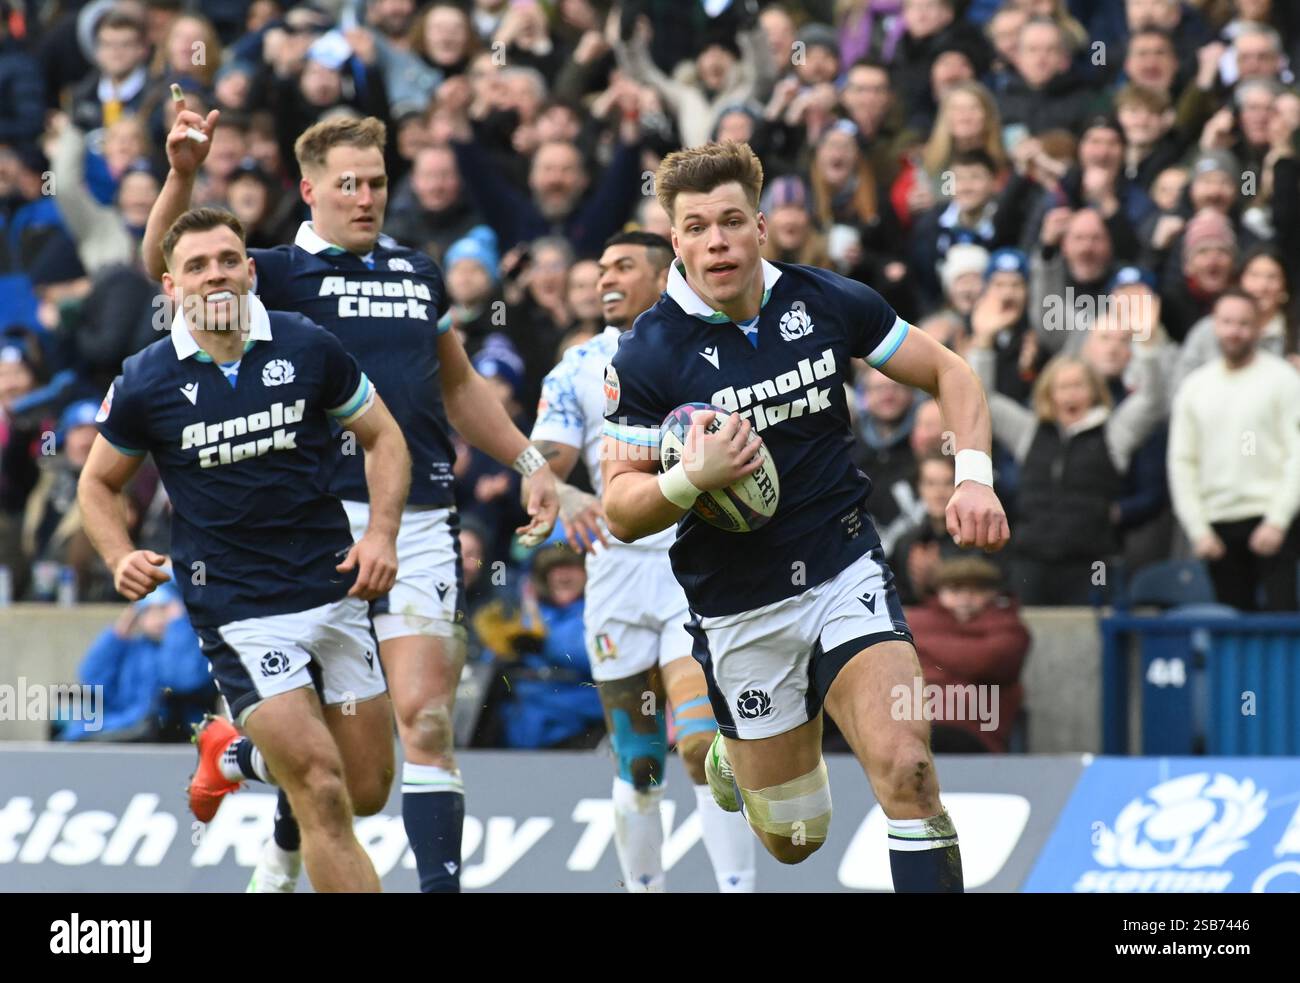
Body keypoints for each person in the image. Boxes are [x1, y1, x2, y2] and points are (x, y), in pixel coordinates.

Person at [140, 104, 559, 894]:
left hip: (422, 514)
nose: (366, 197)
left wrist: (531, 457)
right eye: (348, 185)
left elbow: (460, 384)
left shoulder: (417, 271)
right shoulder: (273, 272)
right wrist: (184, 173)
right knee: (336, 759)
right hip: (312, 525)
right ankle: (241, 758)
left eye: (377, 182)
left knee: (426, 719)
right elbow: (160, 257)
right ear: (309, 190)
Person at [600, 141, 1010, 892]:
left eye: (730, 221)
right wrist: (692, 477)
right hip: (739, 607)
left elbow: (949, 371)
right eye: (696, 227)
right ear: (676, 241)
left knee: (908, 769)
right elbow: (620, 508)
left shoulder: (823, 300)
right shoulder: (648, 352)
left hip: (843, 566)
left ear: (761, 226)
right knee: (795, 838)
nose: (716, 241)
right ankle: (733, 754)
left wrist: (973, 478)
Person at [78, 207, 409, 892]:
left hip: (335, 587)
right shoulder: (146, 379)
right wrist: (117, 556)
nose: (215, 275)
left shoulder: (306, 344)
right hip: (238, 608)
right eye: (196, 266)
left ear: (251, 271)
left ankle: (233, 755)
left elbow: (385, 437)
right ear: (172, 287)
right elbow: (97, 484)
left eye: (228, 259)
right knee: (320, 787)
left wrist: (380, 533)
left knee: (367, 788)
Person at [530, 229, 756, 893]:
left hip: (693, 570)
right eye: (600, 266)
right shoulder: (576, 367)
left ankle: (738, 886)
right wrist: (562, 489)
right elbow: (543, 462)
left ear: (664, 279)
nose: (604, 277)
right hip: (616, 575)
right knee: (639, 765)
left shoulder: (709, 349)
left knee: (699, 746)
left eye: (623, 265)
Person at [1168, 288, 1300, 610]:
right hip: (1217, 530)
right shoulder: (1194, 387)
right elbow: (1182, 462)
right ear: (1214, 325)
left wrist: (1278, 520)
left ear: (1257, 328)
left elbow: (1296, 454)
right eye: (1227, 322)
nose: (1234, 331)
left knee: (1281, 632)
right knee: (1228, 632)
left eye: (1243, 323)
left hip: (1275, 524)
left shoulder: (1284, 380)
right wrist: (1198, 530)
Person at [905, 556, 1030, 753]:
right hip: (908, 724)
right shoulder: (918, 621)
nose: (965, 598)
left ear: (993, 594)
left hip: (973, 733)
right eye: (955, 590)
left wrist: (924, 645)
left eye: (976, 591)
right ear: (939, 592)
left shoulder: (1009, 627)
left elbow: (987, 660)